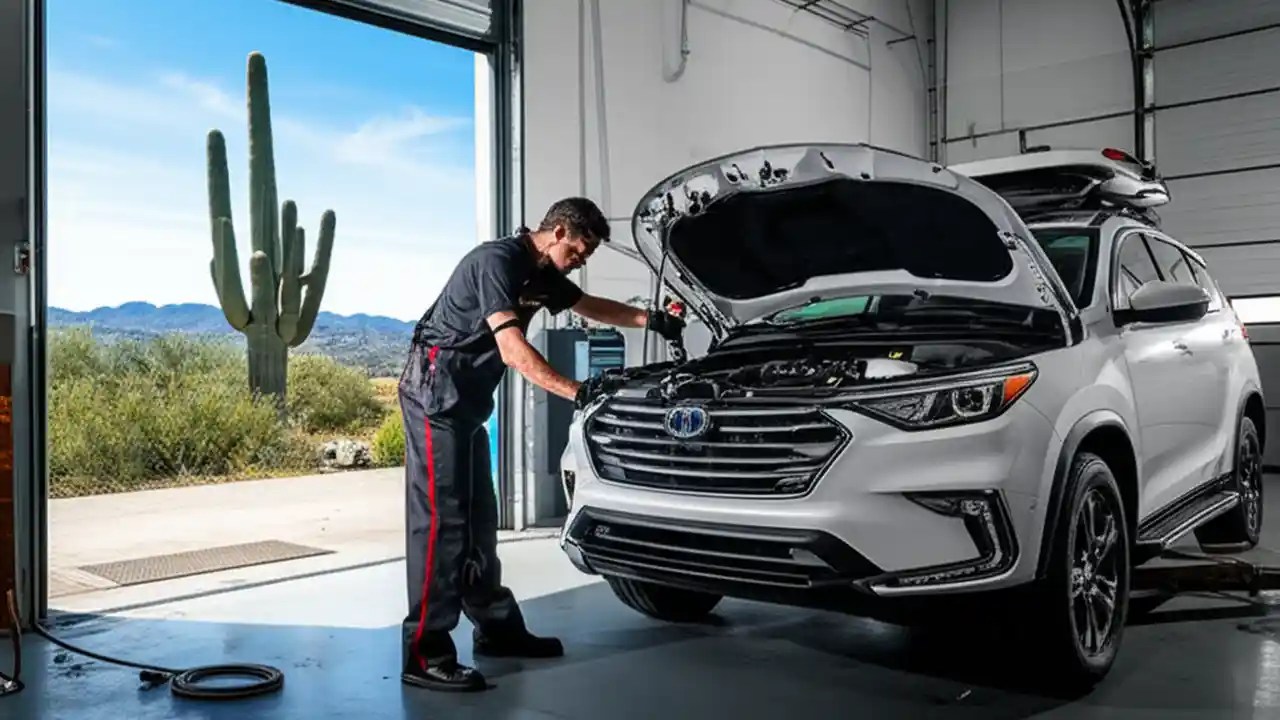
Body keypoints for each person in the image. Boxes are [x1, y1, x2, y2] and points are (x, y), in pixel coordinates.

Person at [397, 196, 686, 692]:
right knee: (443, 521)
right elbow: (511, 349)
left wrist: (650, 320)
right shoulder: (496, 261)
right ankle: (425, 652)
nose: (582, 259)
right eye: (579, 249)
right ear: (557, 232)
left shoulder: (542, 272)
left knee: (479, 520)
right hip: (434, 395)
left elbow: (588, 305)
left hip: (466, 401)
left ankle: (495, 627)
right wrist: (576, 391)